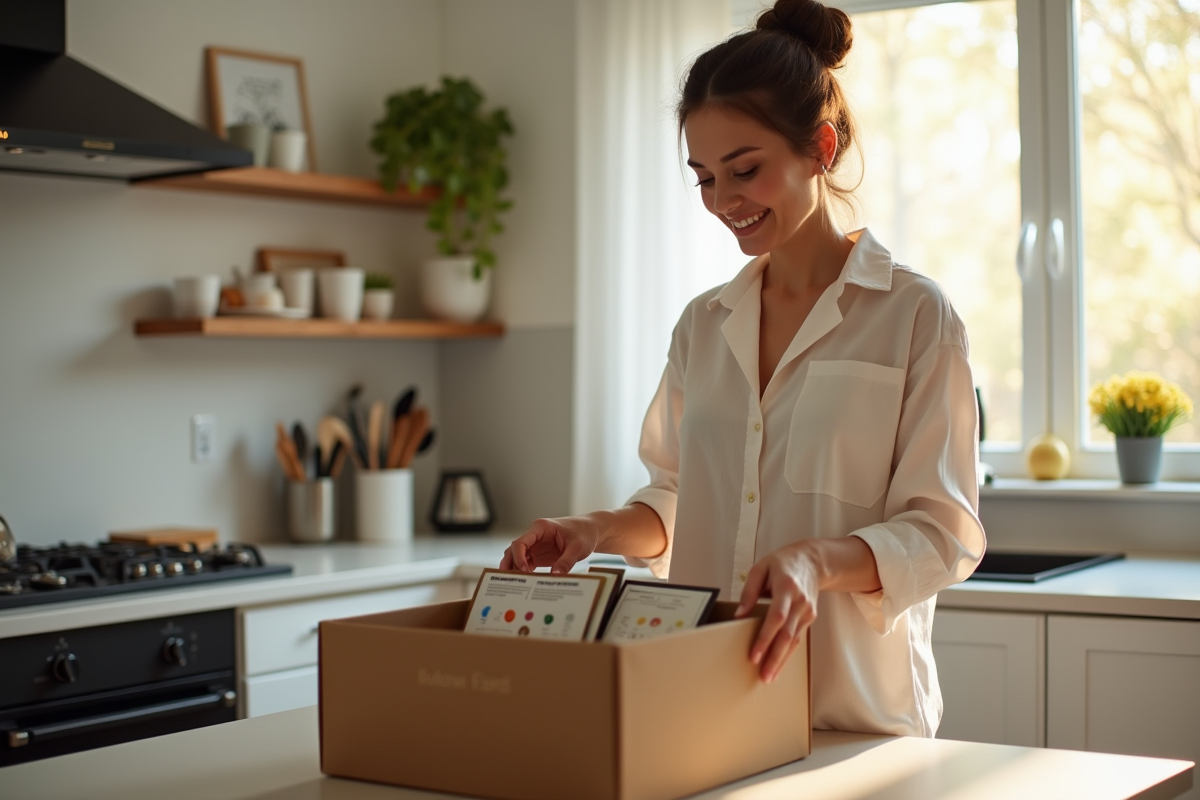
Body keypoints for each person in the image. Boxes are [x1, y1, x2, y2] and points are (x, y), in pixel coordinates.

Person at [501, 0, 985, 738]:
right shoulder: (703, 325)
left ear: (819, 148)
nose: (723, 201)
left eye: (745, 170)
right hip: (709, 710)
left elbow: (944, 533)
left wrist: (816, 562)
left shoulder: (915, 315)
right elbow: (678, 499)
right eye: (703, 178)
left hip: (851, 720)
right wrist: (594, 530)